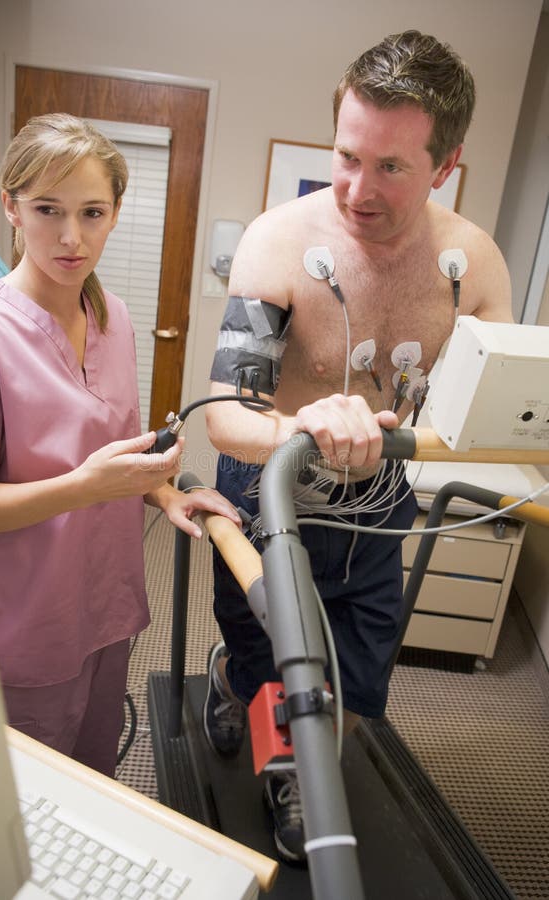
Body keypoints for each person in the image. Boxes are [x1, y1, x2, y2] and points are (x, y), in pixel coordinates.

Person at [203, 30, 514, 863]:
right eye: (346, 156)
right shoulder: (277, 243)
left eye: (391, 167)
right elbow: (228, 417)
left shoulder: (475, 267)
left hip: (379, 504)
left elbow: (492, 410)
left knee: (356, 678)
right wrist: (303, 428)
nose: (356, 188)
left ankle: (301, 765)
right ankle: (240, 695)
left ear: (446, 163)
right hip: (269, 488)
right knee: (269, 664)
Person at [0, 113, 240, 779]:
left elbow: (116, 449)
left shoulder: (113, 318)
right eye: (47, 209)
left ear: (114, 213)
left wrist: (165, 492)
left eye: (92, 212)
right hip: (28, 619)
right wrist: (84, 488)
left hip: (105, 601)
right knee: (34, 800)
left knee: (94, 770)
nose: (71, 237)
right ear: (11, 207)